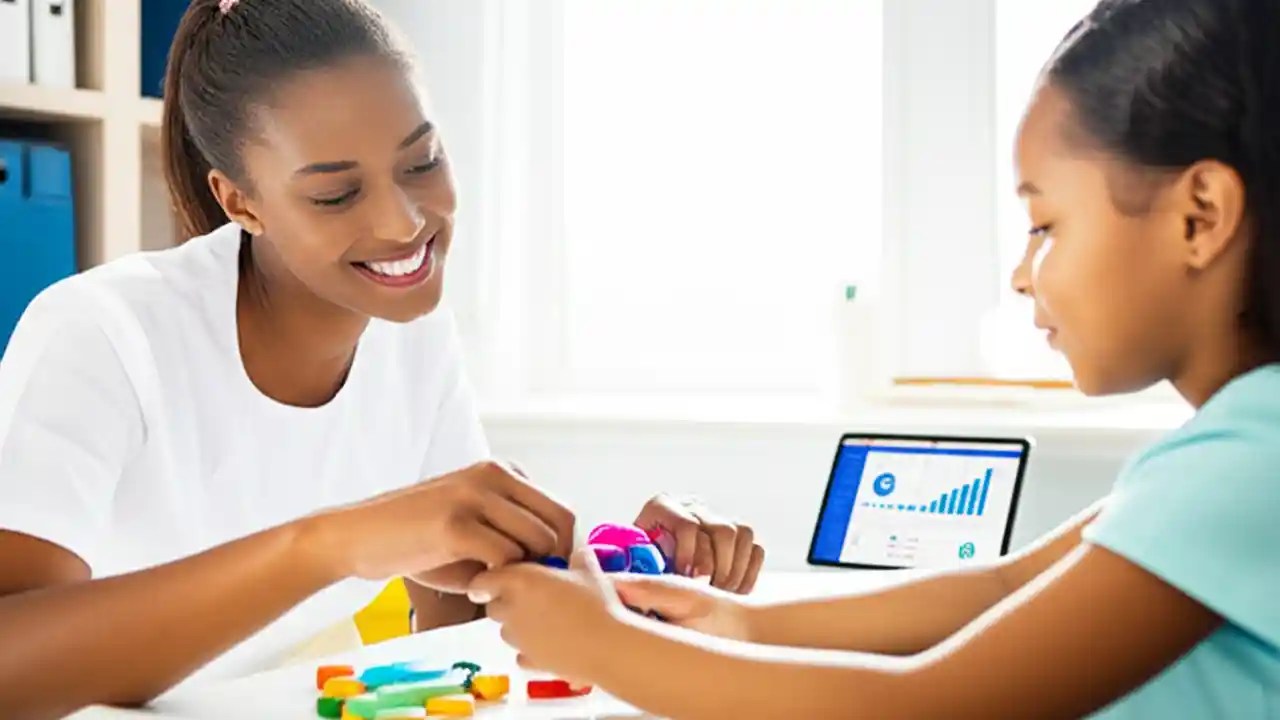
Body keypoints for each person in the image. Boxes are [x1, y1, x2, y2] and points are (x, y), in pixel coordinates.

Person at [471, 0, 1280, 717]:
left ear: (1199, 216)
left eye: (1045, 226)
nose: (1021, 273)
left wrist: (602, 645)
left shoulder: (1249, 462)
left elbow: (926, 703)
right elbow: (1003, 588)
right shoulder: (1233, 449)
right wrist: (742, 626)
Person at [0, 1, 763, 717]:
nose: (403, 223)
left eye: (421, 161)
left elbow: (458, 617)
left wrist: (621, 574)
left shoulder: (411, 334)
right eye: (335, 195)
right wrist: (333, 544)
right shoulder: (101, 335)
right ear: (241, 202)